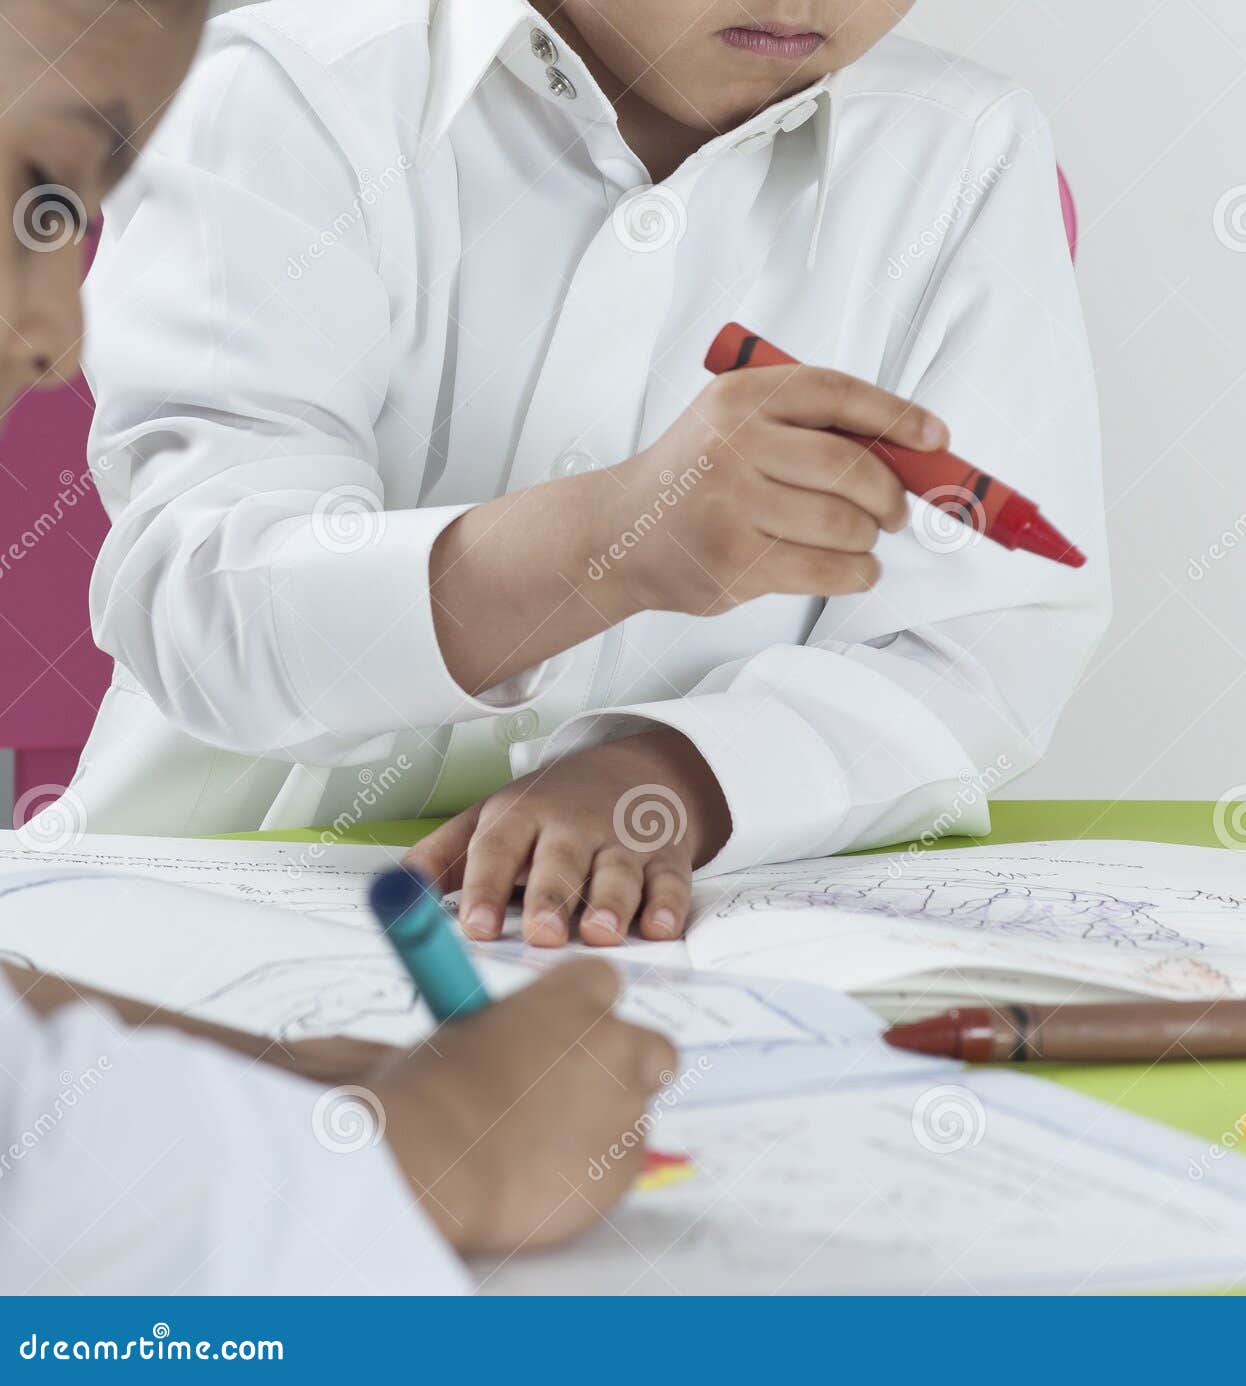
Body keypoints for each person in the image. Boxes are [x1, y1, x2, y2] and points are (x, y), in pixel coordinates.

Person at [73, 0, 1110, 946]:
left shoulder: (959, 150)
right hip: (197, 940)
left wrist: (668, 777)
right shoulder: (289, 91)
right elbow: (199, 598)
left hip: (686, 956)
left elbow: (980, 649)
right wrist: (604, 544)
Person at [0, 2, 675, 1293]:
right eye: (42, 205)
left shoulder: (955, 144)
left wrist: (256, 1082)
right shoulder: (300, 85)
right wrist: (431, 1153)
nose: (59, 339)